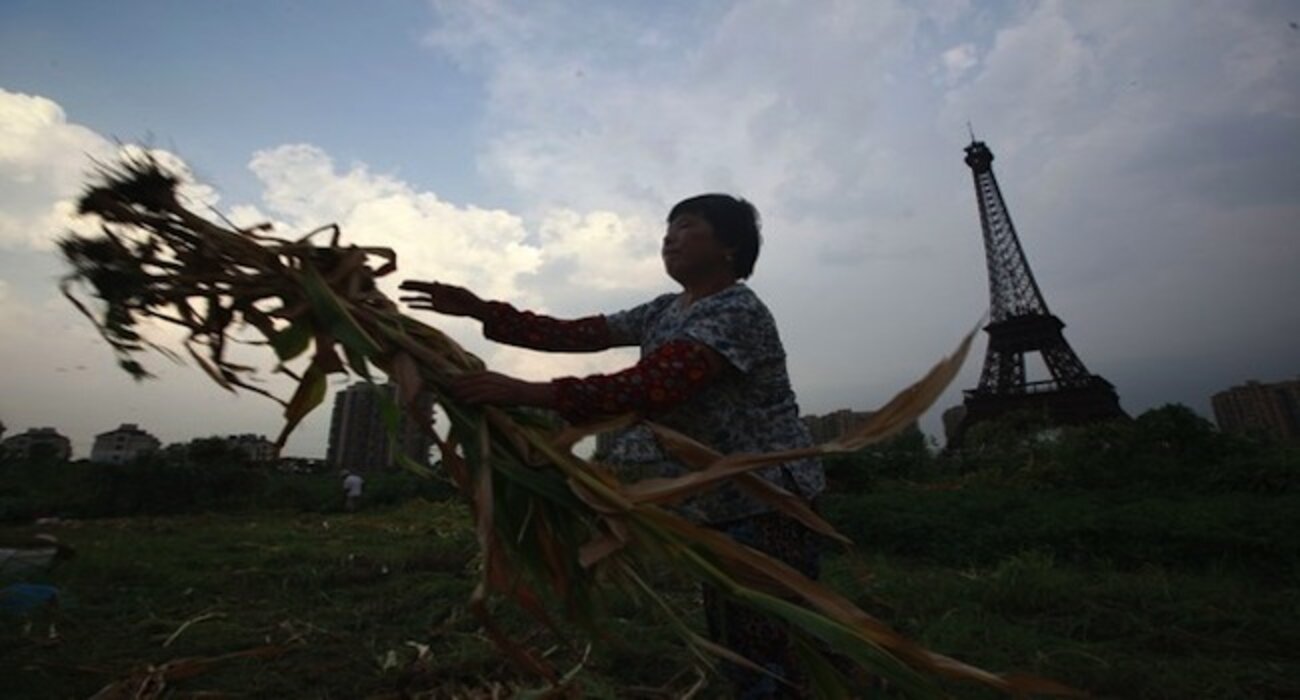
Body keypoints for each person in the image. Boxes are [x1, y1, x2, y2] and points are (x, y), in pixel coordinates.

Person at [401, 194, 826, 698]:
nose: (669, 237)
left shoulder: (736, 309)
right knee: (737, 629)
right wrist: (482, 310)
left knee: (768, 639)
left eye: (686, 226)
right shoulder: (665, 310)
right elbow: (580, 334)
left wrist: (526, 392)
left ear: (730, 245)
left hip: (768, 498)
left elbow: (656, 386)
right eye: (667, 228)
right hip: (718, 499)